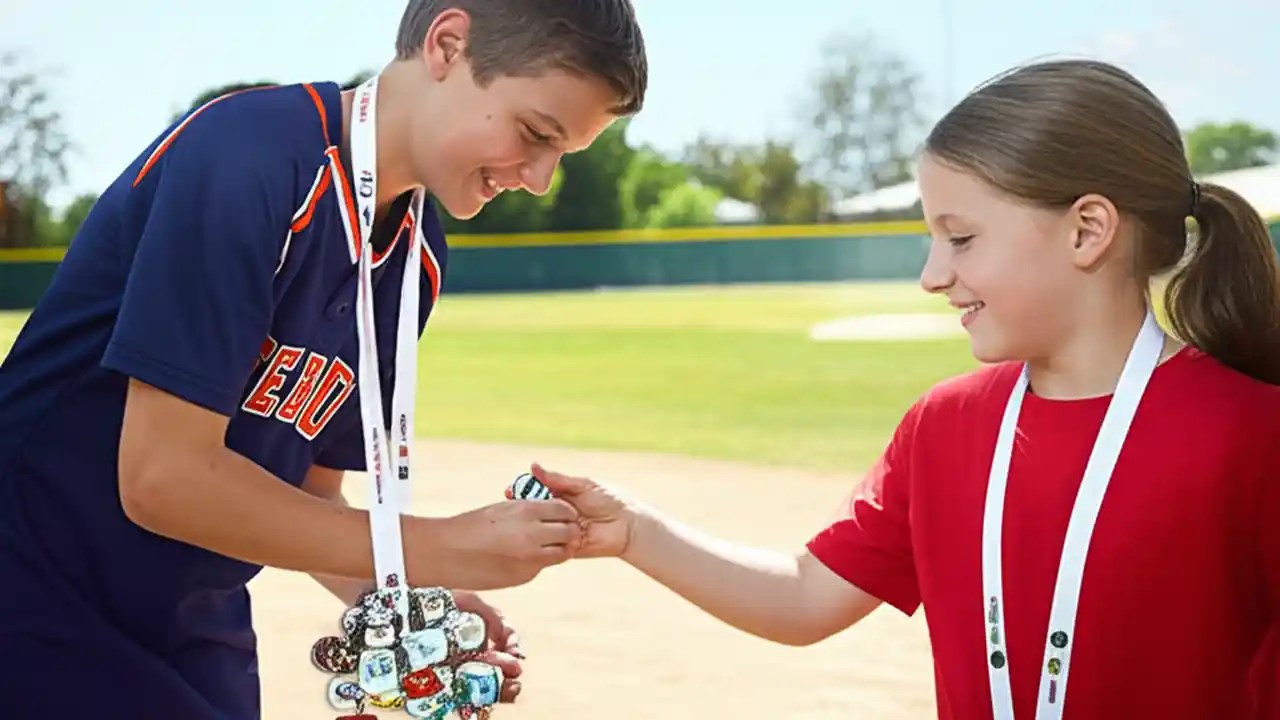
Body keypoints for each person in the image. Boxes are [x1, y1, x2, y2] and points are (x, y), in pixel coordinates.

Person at [531, 59, 1280, 719]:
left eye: (961, 238)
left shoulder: (1251, 436)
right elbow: (804, 599)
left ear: (1088, 230)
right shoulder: (945, 427)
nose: (933, 274)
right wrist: (634, 532)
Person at [0, 2, 646, 718]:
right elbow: (161, 478)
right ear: (447, 46)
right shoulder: (248, 158)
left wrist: (403, 600)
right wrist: (435, 547)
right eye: (534, 133)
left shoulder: (415, 252)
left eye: (563, 154)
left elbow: (308, 499)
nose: (540, 178)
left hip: (193, 626)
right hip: (36, 597)